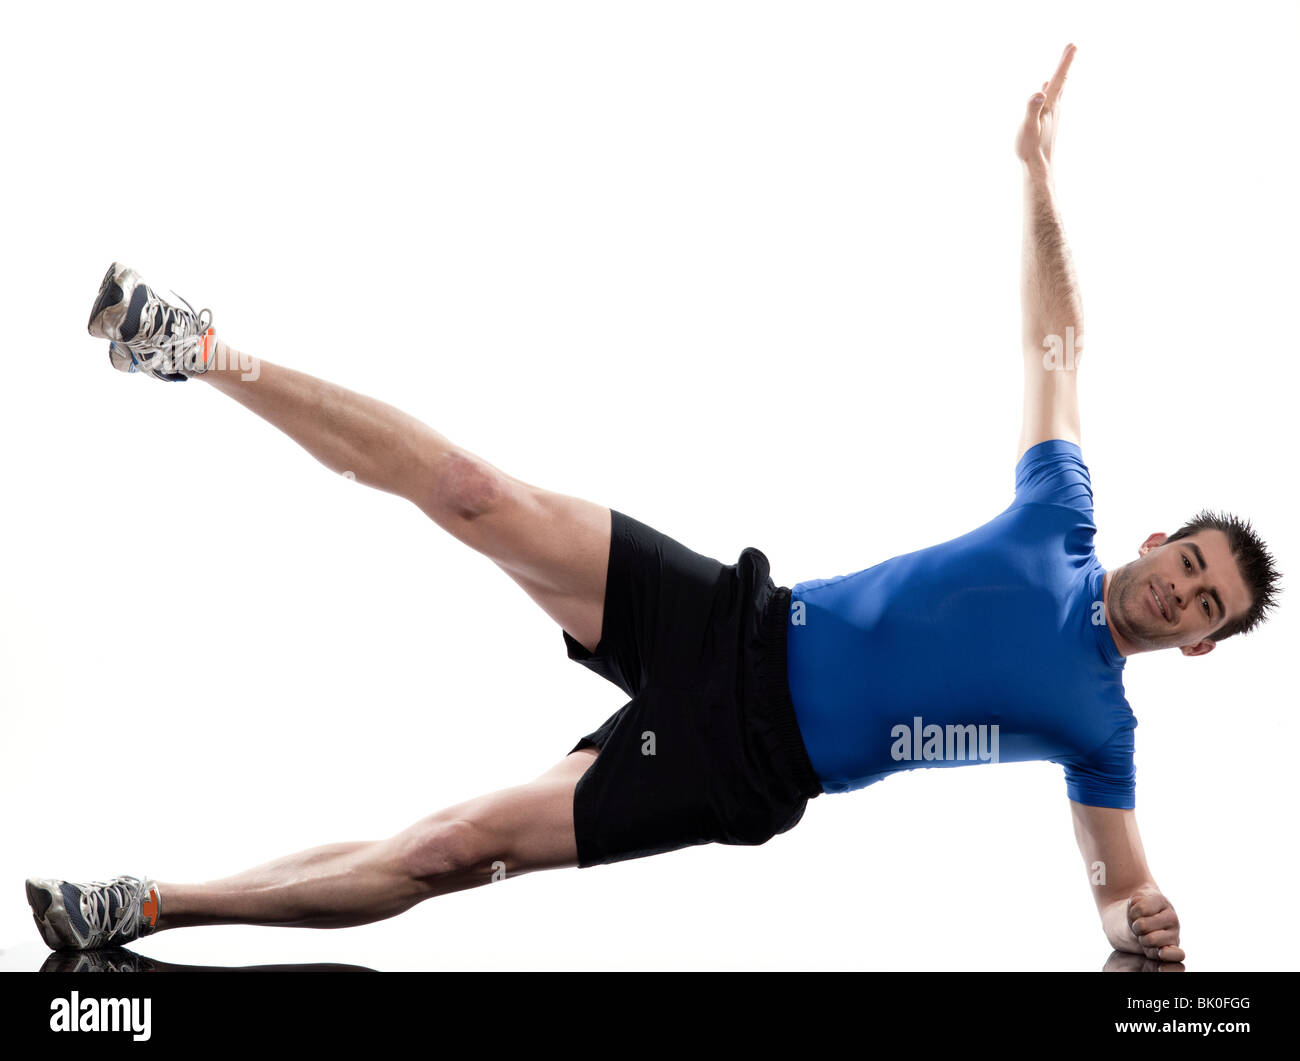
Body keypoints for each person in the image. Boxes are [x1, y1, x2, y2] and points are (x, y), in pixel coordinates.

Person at [27, 44, 1278, 965]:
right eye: (1192, 564)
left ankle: (145, 905)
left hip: (744, 764)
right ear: (1160, 540)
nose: (1181, 592)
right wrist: (1035, 169)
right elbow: (1055, 340)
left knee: (448, 850)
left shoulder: (1099, 731)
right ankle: (187, 346)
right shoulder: (1059, 511)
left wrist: (1138, 926)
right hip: (735, 619)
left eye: (1205, 605)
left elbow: (1119, 899)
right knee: (474, 491)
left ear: (1202, 642)